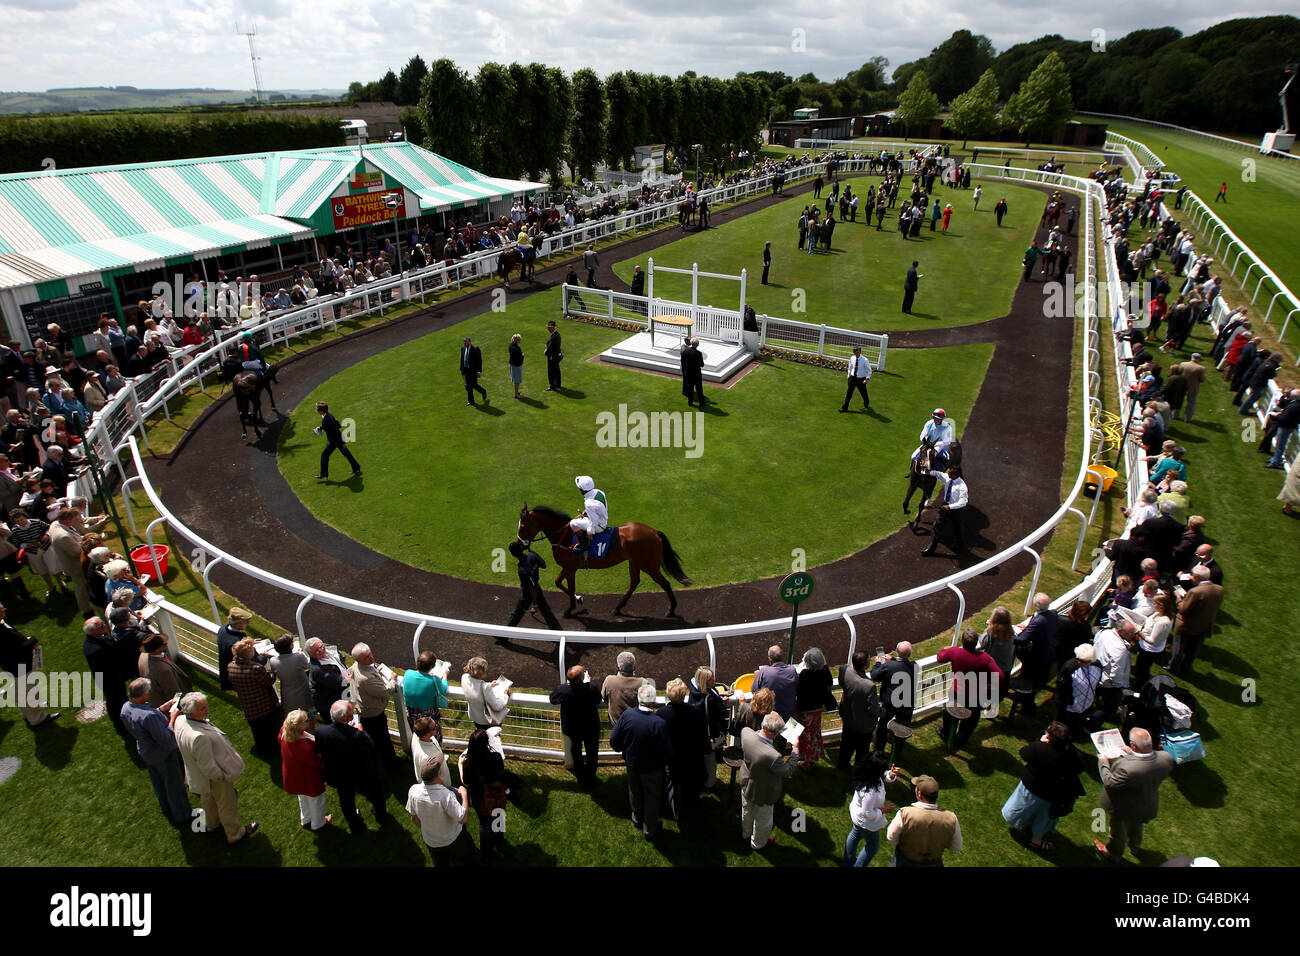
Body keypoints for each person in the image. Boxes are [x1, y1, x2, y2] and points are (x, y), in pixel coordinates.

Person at [173, 692, 259, 843]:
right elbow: (208, 766)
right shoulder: (200, 738)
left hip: (197, 775)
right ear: (191, 713)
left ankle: (211, 824)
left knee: (208, 800)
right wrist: (222, 777)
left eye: (206, 706)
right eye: (202, 708)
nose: (207, 709)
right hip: (213, 778)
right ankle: (234, 833)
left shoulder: (180, 720)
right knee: (227, 804)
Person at [1095, 727, 1177, 862]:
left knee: (1117, 832)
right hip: (1146, 802)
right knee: (1137, 826)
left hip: (1123, 806)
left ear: (1133, 745)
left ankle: (1112, 854)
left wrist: (1103, 762)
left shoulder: (1128, 769)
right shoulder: (1166, 758)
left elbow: (1110, 782)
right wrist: (1131, 754)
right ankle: (1135, 847)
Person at [1001, 721, 1086, 851]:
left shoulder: (1040, 748)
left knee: (1026, 807)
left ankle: (1026, 825)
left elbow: (1024, 753)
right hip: (1054, 795)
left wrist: (1039, 742)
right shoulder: (1073, 754)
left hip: (1032, 789)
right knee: (1045, 817)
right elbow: (1079, 767)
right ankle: (1036, 839)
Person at [121, 678, 190, 825]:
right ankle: (183, 814)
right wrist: (172, 718)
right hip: (163, 754)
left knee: (158, 781)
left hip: (147, 752)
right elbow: (165, 738)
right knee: (174, 785)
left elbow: (141, 722)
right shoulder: (149, 717)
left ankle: (165, 807)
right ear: (143, 694)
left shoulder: (126, 707)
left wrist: (161, 709)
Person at [610, 682, 673, 840]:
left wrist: (622, 750)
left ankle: (637, 818)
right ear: (653, 703)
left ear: (638, 699)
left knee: (635, 791)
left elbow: (614, 739)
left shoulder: (627, 715)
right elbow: (666, 751)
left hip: (632, 763)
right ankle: (649, 829)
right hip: (652, 768)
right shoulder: (659, 723)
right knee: (652, 796)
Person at [315, 699, 388, 833]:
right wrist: (361, 731)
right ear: (344, 718)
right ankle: (380, 814)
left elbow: (320, 749)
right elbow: (371, 747)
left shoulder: (321, 732)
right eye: (350, 712)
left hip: (338, 774)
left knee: (346, 800)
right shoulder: (357, 735)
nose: (353, 713)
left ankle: (355, 824)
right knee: (375, 792)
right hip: (361, 772)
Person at [936, 627, 1005, 753]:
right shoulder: (985, 658)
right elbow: (1000, 676)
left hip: (958, 693)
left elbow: (940, 657)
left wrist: (946, 649)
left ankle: (946, 733)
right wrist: (989, 686)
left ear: (963, 642)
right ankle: (960, 741)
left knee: (948, 715)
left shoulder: (955, 652)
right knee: (970, 722)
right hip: (976, 696)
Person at [739, 711, 799, 851]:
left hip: (746, 780)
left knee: (746, 809)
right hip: (763, 790)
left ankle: (746, 833)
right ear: (775, 734)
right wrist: (795, 749)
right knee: (763, 820)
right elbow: (788, 770)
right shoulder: (773, 756)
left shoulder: (746, 733)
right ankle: (758, 843)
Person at [458, 727, 519, 858]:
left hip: (479, 797)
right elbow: (501, 773)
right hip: (497, 794)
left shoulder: (469, 763)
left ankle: (487, 852)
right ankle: (499, 841)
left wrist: (460, 764)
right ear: (486, 743)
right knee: (499, 815)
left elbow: (466, 782)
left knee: (485, 823)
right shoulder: (495, 757)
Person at [407, 754, 478, 866]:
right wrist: (464, 794)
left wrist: (429, 829)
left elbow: (414, 817)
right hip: (453, 840)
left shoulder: (413, 791)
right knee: (466, 861)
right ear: (439, 773)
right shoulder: (445, 795)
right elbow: (463, 818)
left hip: (431, 841)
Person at [656, 677, 710, 818]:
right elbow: (703, 735)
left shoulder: (662, 713)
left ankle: (672, 805)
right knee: (690, 785)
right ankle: (691, 805)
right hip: (692, 756)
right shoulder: (697, 712)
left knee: (671, 782)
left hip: (672, 756)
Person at [0, 601, 59, 729]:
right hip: (18, 666)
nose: (4, 609)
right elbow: (18, 650)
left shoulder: (1, 625)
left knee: (20, 691)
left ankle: (27, 713)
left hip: (11, 666)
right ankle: (38, 718)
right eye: (1, 609)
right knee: (30, 691)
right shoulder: (1, 631)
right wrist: (32, 640)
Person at [886, 774, 961, 866]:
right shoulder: (951, 818)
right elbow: (956, 846)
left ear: (919, 793)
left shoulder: (905, 813)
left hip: (904, 861)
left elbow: (891, 837)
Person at [228, 636, 282, 757]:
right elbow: (268, 682)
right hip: (263, 705)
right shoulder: (255, 668)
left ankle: (262, 749)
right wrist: (273, 673)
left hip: (247, 705)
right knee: (270, 730)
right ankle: (273, 750)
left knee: (257, 731)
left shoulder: (231, 665)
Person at [550, 664, 602, 788]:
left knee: (576, 752)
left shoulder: (563, 689)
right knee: (592, 753)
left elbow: (553, 699)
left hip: (572, 728)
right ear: (580, 679)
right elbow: (598, 700)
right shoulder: (591, 687)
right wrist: (587, 684)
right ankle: (591, 778)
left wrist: (568, 685)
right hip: (590, 727)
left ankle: (580, 776)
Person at [279, 709, 331, 832]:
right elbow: (316, 761)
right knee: (316, 800)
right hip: (308, 777)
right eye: (306, 720)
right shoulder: (304, 746)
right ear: (299, 726)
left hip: (293, 775)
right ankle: (318, 823)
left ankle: (306, 818)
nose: (309, 721)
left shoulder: (284, 733)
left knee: (302, 798)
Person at [350, 642, 400, 767]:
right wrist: (393, 680)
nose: (371, 658)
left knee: (374, 739)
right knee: (383, 740)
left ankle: (376, 758)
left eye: (370, 654)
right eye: (366, 657)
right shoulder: (366, 678)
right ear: (359, 660)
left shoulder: (357, 665)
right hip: (373, 714)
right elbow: (385, 692)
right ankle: (391, 764)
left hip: (366, 710)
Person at [1168, 565, 1224, 675]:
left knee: (1178, 649)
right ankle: (1186, 669)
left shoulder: (1195, 592)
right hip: (1204, 625)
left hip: (1187, 626)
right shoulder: (1219, 589)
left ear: (1197, 577)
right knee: (1193, 651)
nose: (1191, 577)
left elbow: (1183, 609)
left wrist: (1178, 597)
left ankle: (1173, 668)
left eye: (1192, 576)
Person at [844, 751, 897, 867]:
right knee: (873, 847)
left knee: (855, 833)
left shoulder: (866, 774)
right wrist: (884, 811)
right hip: (867, 822)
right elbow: (868, 813)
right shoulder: (870, 793)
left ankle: (848, 862)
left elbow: (883, 776)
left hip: (857, 816)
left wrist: (891, 775)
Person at [82, 615, 131, 735]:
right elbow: (105, 667)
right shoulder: (95, 650)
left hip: (111, 678)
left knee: (117, 700)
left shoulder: (95, 639)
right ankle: (121, 725)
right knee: (117, 701)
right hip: (111, 681)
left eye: (103, 623)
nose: (104, 625)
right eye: (101, 625)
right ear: (93, 631)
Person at [792, 647, 837, 771]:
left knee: (803, 735)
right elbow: (829, 681)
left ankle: (806, 761)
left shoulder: (805, 675)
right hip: (817, 709)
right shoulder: (824, 672)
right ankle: (810, 758)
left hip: (803, 710)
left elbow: (796, 688)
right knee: (814, 734)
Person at [1013, 594, 1058, 717]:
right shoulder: (1053, 614)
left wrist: (1008, 635)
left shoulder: (1039, 620)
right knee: (1035, 681)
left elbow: (1022, 640)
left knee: (1028, 683)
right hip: (1048, 654)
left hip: (1036, 658)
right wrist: (1028, 628)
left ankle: (1028, 708)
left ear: (1035, 605)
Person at [837, 650, 882, 771]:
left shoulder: (844, 670)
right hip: (863, 726)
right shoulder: (869, 685)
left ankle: (842, 766)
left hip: (847, 718)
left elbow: (842, 682)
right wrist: (882, 712)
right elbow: (873, 709)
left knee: (846, 746)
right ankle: (859, 771)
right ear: (865, 665)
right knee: (862, 751)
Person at [688, 665, 729, 792]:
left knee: (699, 760)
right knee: (710, 761)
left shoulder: (695, 690)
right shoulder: (709, 700)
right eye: (711, 679)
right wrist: (722, 701)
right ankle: (709, 785)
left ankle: (699, 781)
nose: (714, 681)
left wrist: (718, 695)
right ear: (705, 681)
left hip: (697, 734)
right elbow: (719, 713)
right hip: (709, 735)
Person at [505, 541, 562, 630]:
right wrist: (535, 554)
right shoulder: (532, 556)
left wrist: (535, 604)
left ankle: (504, 634)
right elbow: (544, 565)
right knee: (547, 613)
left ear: (513, 554)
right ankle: (558, 632)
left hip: (528, 593)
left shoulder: (522, 569)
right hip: (537, 589)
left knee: (517, 614)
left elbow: (531, 588)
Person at [870, 642, 915, 751]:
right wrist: (894, 659)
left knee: (882, 726)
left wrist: (878, 664)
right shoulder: (914, 665)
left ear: (896, 651)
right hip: (907, 702)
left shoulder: (889, 666)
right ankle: (898, 747)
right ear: (910, 654)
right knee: (904, 725)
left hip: (890, 703)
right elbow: (902, 665)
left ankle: (878, 750)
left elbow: (875, 676)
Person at [921, 466, 969, 557]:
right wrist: (928, 472)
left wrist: (949, 506)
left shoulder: (962, 486)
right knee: (936, 526)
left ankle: (960, 545)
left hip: (956, 510)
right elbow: (938, 474)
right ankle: (931, 549)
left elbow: (963, 502)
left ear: (956, 475)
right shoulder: (947, 477)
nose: (948, 473)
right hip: (945, 507)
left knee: (957, 529)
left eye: (950, 473)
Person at [403, 650, 449, 739]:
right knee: (433, 735)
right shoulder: (434, 680)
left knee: (417, 734)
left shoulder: (408, 673)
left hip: (411, 712)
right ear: (432, 666)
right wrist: (445, 676)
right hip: (428, 715)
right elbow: (443, 690)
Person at [138, 633, 192, 708]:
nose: (166, 644)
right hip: (168, 705)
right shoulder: (163, 670)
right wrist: (183, 707)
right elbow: (174, 694)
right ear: (156, 649)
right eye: (163, 644)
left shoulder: (143, 655)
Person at [312, 402, 360, 480]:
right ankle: (356, 467)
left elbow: (336, 430)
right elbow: (337, 425)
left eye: (318, 410)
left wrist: (343, 442)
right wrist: (320, 428)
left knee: (324, 455)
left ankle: (324, 474)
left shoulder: (327, 418)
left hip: (334, 441)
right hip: (336, 440)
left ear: (322, 411)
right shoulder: (328, 415)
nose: (317, 411)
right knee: (346, 454)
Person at [462, 655, 511, 729]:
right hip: (488, 721)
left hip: (475, 719)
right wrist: (505, 695)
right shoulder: (485, 687)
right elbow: (497, 706)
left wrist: (489, 685)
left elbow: (476, 686)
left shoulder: (464, 678)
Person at [752, 644, 798, 720]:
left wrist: (758, 676)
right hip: (789, 714)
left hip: (770, 715)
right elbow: (796, 688)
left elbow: (754, 691)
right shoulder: (792, 670)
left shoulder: (764, 672)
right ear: (782, 657)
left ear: (770, 659)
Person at [268, 634, 311, 714]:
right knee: (308, 714)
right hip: (303, 691)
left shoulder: (273, 661)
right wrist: (300, 654)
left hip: (287, 693)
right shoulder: (298, 657)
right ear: (290, 646)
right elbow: (307, 665)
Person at [306, 637, 346, 719]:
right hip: (329, 703)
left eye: (321, 646)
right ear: (311, 655)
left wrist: (345, 667)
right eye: (316, 650)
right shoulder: (318, 670)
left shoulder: (328, 648)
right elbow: (341, 682)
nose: (321, 650)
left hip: (339, 693)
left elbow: (340, 658)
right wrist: (353, 676)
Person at [568, 474, 608, 553]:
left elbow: (594, 521)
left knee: (573, 523)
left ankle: (583, 544)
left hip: (599, 526)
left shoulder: (589, 503)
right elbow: (599, 506)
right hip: (603, 519)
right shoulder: (599, 492)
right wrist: (587, 511)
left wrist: (590, 532)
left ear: (582, 490)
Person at [601, 650, 642, 725]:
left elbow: (604, 698)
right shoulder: (643, 683)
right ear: (634, 667)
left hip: (617, 726)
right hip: (637, 726)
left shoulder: (609, 680)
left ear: (618, 668)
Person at [216, 606, 252, 691]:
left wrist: (249, 642)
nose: (248, 623)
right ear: (238, 624)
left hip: (228, 672)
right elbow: (248, 658)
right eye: (246, 621)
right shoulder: (235, 642)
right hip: (238, 676)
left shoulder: (223, 629)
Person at [839, 346, 872, 412]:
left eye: (857, 352)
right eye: (854, 352)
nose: (856, 354)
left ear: (860, 352)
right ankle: (845, 407)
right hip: (852, 378)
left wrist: (867, 379)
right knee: (849, 393)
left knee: (863, 393)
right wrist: (848, 376)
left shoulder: (865, 360)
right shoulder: (852, 358)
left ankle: (866, 403)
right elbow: (850, 367)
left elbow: (869, 370)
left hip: (861, 379)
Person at [459, 336, 486, 406]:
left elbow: (479, 361)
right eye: (464, 342)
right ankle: (471, 401)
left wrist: (479, 371)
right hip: (466, 370)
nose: (465, 343)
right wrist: (461, 369)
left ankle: (483, 391)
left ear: (470, 342)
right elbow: (462, 359)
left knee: (474, 385)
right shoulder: (463, 349)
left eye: (466, 342)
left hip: (473, 371)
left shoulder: (475, 349)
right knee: (468, 386)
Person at [681, 338, 706, 407]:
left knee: (690, 388)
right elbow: (702, 364)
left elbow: (683, 361)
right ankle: (702, 403)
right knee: (699, 389)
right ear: (697, 345)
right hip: (696, 374)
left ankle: (690, 402)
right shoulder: (698, 353)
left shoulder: (686, 351)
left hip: (688, 373)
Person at [544, 320, 562, 391]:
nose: (548, 329)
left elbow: (551, 348)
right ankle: (558, 384)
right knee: (557, 370)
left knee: (551, 371)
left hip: (553, 357)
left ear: (553, 328)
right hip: (556, 355)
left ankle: (552, 386)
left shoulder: (554, 336)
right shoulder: (556, 334)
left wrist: (546, 351)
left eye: (549, 327)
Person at [507, 333, 524, 399]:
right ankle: (516, 394)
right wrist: (522, 355)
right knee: (517, 381)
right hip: (516, 366)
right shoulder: (516, 349)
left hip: (512, 364)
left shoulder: (511, 345)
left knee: (516, 380)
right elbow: (519, 358)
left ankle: (516, 392)